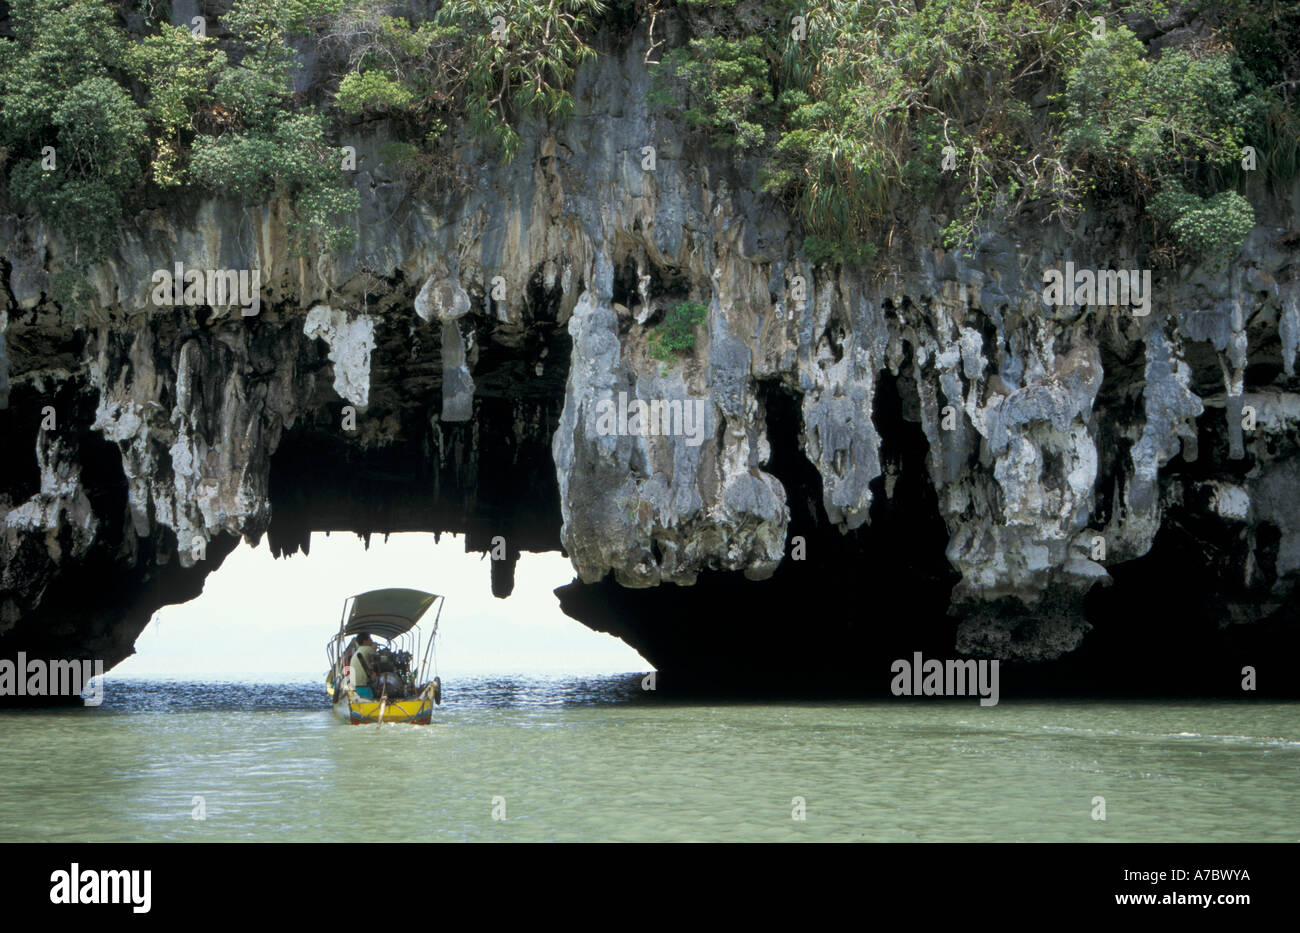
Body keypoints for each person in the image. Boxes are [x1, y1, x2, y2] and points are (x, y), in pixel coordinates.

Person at [348, 633, 377, 699]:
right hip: (363, 685)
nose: (372, 640)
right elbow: (376, 658)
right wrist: (374, 648)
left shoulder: (358, 650)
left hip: (354, 684)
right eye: (370, 639)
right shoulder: (367, 648)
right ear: (365, 641)